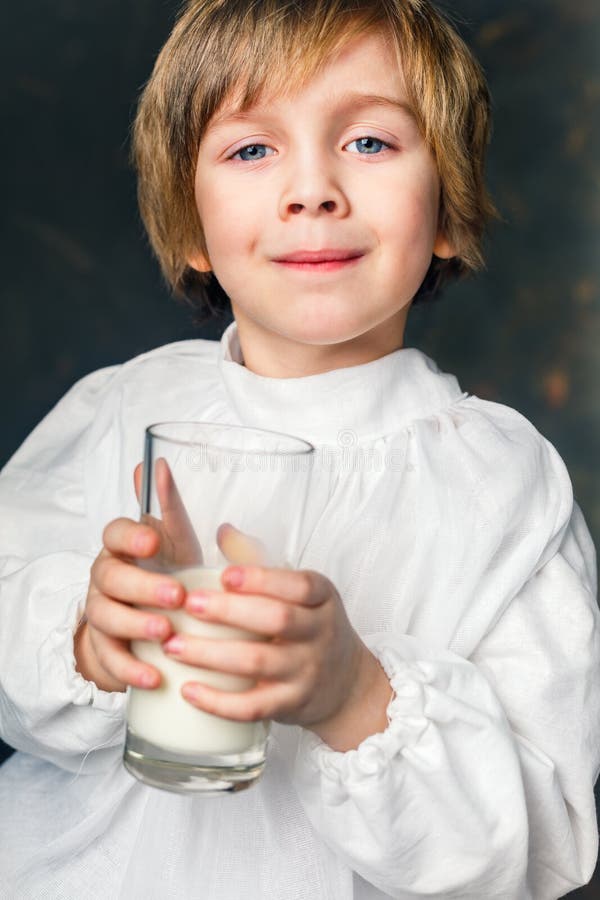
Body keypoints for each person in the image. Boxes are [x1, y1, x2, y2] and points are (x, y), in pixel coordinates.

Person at [0, 0, 598, 897]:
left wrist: (355, 694)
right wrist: (90, 639)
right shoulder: (122, 408)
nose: (311, 188)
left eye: (369, 142)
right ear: (192, 226)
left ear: (444, 210)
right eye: (251, 148)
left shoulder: (503, 487)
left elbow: (541, 846)